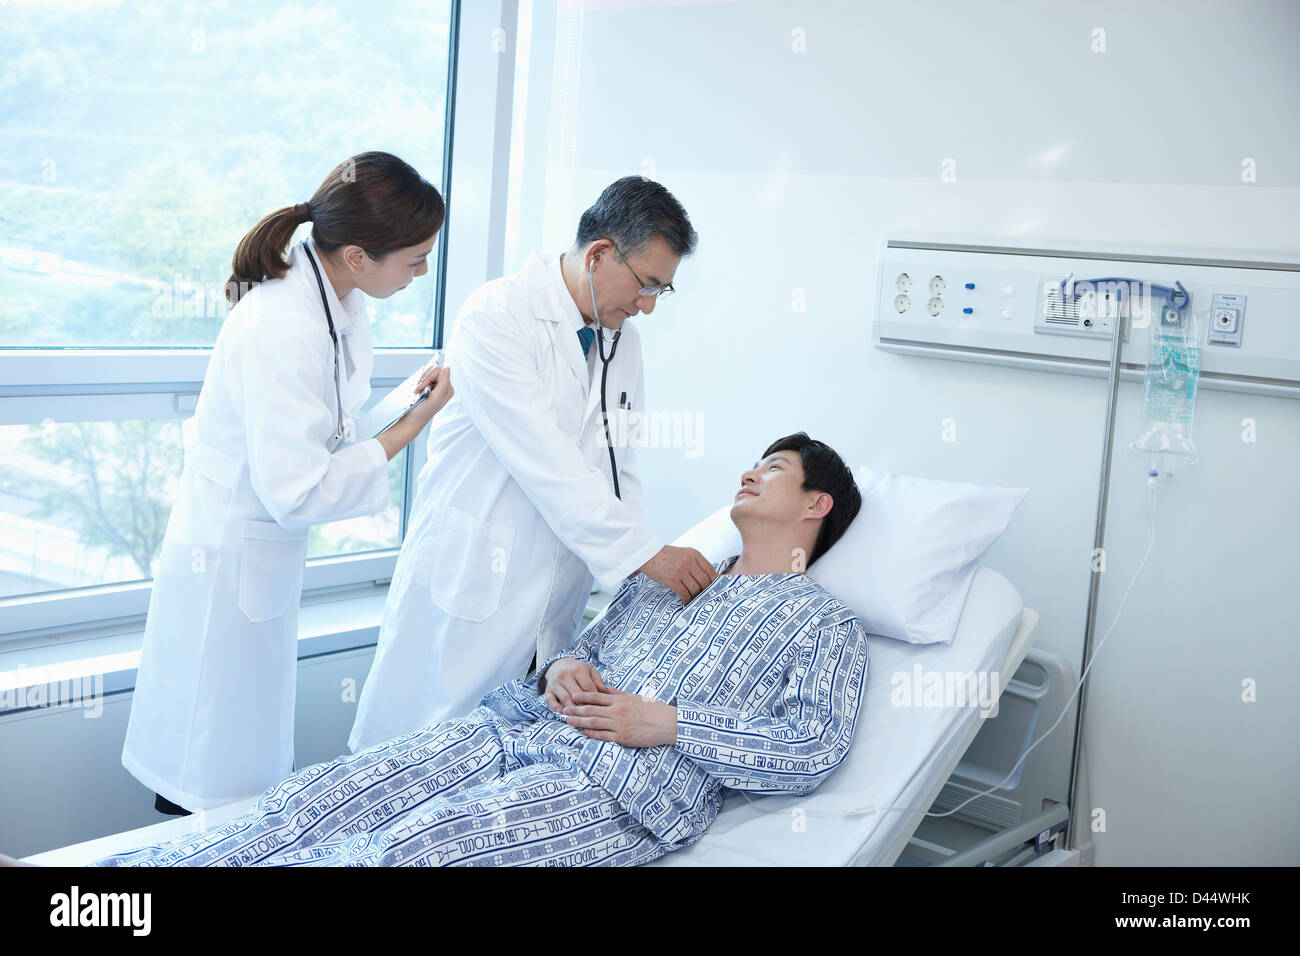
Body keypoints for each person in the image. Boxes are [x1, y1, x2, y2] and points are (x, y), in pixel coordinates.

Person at [0, 434, 865, 868]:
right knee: (312, 805)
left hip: (613, 791)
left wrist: (663, 722)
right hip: (510, 733)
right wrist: (564, 667)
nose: (750, 472)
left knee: (398, 856)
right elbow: (584, 651)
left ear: (816, 505)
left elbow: (811, 751)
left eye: (775, 466)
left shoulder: (822, 625)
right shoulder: (668, 577)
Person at [120, 152, 453, 818]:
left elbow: (327, 427)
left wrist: (398, 403)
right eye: (414, 260)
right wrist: (415, 422)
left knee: (244, 766)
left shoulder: (332, 298)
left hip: (254, 558)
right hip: (227, 567)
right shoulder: (285, 323)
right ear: (359, 255)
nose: (421, 274)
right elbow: (299, 490)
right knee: (210, 778)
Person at [348, 177, 718, 751]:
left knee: (491, 771)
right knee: (415, 754)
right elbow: (546, 462)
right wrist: (644, 555)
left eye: (660, 293)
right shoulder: (497, 315)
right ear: (598, 254)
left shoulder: (623, 343)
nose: (646, 306)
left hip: (551, 601)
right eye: (646, 284)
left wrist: (641, 577)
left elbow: (623, 469)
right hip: (471, 578)